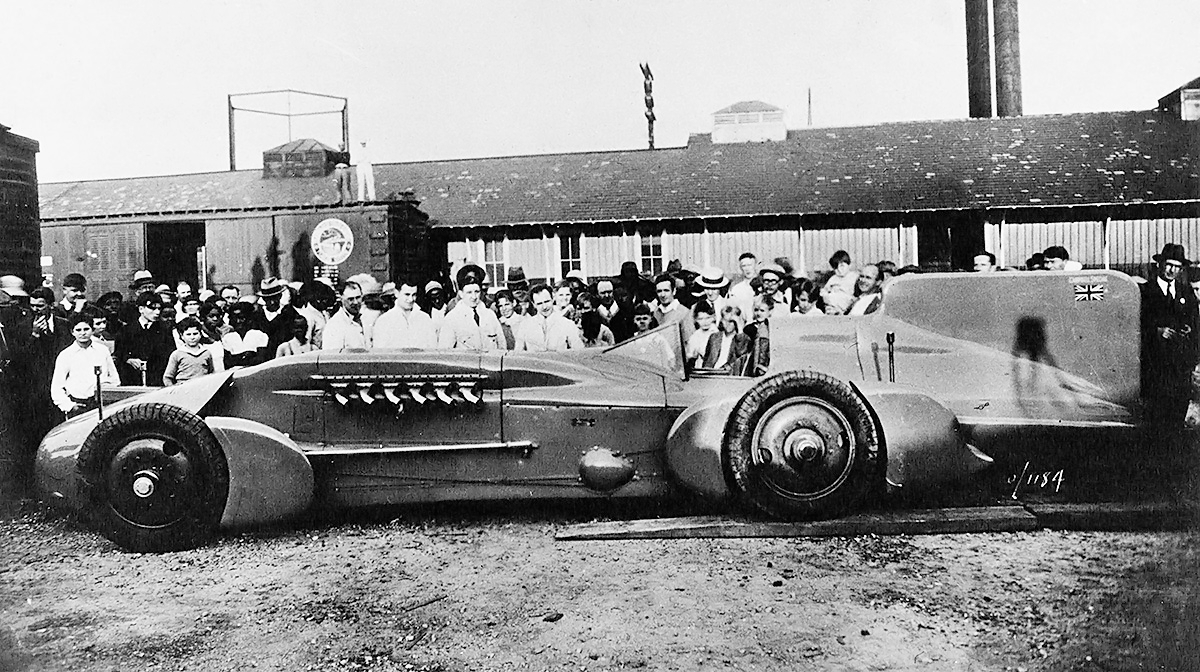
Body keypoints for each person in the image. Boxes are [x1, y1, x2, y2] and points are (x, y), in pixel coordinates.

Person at [1139, 244, 1199, 438]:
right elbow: (1135, 323)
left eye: (1177, 266)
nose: (1172, 270)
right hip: (1156, 366)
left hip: (1180, 366)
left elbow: (1196, 324)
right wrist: (1156, 331)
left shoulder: (1186, 291)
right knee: (1156, 418)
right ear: (1160, 265)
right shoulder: (1145, 291)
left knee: (1177, 415)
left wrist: (1189, 336)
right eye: (1168, 265)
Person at [50, 313, 119, 419]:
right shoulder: (66, 355)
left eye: (86, 329)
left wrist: (108, 395)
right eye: (78, 330)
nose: (83, 333)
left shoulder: (102, 350)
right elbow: (56, 388)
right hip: (79, 405)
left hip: (101, 404)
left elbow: (115, 378)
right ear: (72, 332)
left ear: (92, 330)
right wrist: (70, 406)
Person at [438, 265, 503, 350]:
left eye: (476, 292)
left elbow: (502, 345)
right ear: (461, 294)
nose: (474, 297)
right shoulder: (451, 319)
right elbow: (444, 352)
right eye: (469, 292)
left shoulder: (490, 315)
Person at [515, 284, 584, 351]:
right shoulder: (525, 325)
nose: (544, 307)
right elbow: (518, 353)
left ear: (553, 299)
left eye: (547, 301)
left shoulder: (567, 324)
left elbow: (579, 352)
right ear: (534, 304)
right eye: (539, 303)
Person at [373, 281, 438, 349]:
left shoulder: (425, 319)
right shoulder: (384, 321)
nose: (411, 299)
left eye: (414, 295)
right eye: (407, 294)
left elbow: (433, 349)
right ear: (396, 293)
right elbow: (380, 353)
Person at [256, 277, 300, 357]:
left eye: (275, 297)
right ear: (263, 299)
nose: (272, 302)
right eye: (268, 299)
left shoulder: (290, 314)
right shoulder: (257, 316)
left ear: (280, 296)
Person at [163, 317, 216, 385]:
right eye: (188, 334)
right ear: (182, 336)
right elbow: (167, 377)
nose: (192, 337)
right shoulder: (177, 354)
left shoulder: (206, 353)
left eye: (195, 334)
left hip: (202, 388)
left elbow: (211, 373)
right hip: (183, 390)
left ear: (200, 334)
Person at [322, 281, 368, 351]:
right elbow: (332, 357)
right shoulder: (335, 325)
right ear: (341, 299)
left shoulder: (367, 317)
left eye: (358, 297)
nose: (355, 302)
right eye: (350, 299)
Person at [702, 305, 751, 370]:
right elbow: (707, 359)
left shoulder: (742, 339)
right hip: (710, 372)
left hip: (727, 373)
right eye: (725, 320)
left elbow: (740, 353)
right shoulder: (714, 337)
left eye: (731, 321)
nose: (727, 324)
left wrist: (739, 327)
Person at [221, 302, 270, 368]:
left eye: (241, 317)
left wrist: (237, 358)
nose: (238, 321)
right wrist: (248, 355)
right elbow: (228, 363)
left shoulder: (259, 335)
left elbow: (261, 359)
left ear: (249, 318)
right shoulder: (227, 338)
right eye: (234, 318)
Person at [651, 273, 694, 343]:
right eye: (659, 291)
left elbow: (689, 342)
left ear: (674, 291)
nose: (662, 295)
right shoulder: (656, 312)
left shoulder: (684, 313)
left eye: (666, 290)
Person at [820, 250, 859, 315]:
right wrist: (826, 295)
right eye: (836, 268)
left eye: (842, 266)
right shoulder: (833, 278)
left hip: (846, 303)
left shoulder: (854, 277)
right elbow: (824, 291)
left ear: (849, 264)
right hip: (832, 303)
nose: (839, 270)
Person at [685, 300, 719, 368]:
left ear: (713, 317)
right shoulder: (695, 335)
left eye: (708, 318)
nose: (705, 322)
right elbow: (690, 354)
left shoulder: (717, 333)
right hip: (700, 369)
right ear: (696, 319)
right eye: (700, 319)